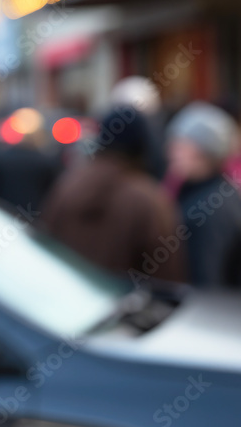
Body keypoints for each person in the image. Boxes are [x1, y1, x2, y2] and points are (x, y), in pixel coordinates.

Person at [41, 107, 187, 283]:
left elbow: (46, 248)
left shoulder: (68, 184)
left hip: (68, 303)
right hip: (126, 308)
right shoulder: (149, 201)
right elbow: (167, 279)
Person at [165, 100, 241, 288]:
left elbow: (207, 283)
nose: (171, 152)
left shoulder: (212, 209)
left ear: (204, 152)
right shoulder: (202, 191)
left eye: (181, 146)